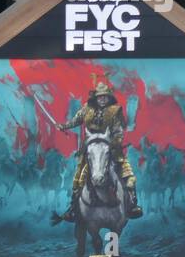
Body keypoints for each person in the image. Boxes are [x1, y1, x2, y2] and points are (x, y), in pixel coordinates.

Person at [56, 79, 142, 221]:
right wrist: (63, 126)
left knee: (129, 176)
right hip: (91, 148)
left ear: (109, 97)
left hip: (110, 147)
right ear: (96, 98)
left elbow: (119, 132)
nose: (102, 99)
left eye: (105, 96)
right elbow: (75, 121)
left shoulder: (115, 111)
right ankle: (73, 208)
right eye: (99, 96)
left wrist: (113, 144)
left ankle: (132, 205)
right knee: (79, 178)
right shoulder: (86, 109)